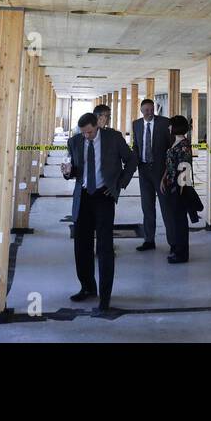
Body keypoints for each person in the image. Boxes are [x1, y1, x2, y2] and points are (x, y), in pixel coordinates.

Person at [61, 112, 135, 311]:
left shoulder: (114, 138)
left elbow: (131, 160)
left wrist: (119, 184)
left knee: (104, 247)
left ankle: (105, 295)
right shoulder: (74, 141)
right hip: (83, 196)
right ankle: (87, 287)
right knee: (81, 247)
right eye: (83, 133)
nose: (87, 136)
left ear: (97, 126)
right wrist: (67, 172)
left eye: (90, 132)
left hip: (104, 195)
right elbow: (74, 170)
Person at [131, 97, 172, 251]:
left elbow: (171, 147)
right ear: (141, 111)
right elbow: (136, 145)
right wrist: (132, 162)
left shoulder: (164, 123)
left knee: (166, 207)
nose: (149, 113)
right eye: (146, 110)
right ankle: (149, 240)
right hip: (144, 171)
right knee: (147, 207)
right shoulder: (136, 124)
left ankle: (173, 243)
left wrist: (168, 170)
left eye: (151, 109)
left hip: (161, 172)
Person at [158, 116, 194, 263]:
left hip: (178, 188)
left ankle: (181, 254)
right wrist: (163, 179)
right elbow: (171, 164)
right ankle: (177, 249)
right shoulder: (176, 143)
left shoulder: (184, 145)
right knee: (174, 219)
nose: (168, 128)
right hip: (171, 184)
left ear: (176, 127)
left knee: (180, 221)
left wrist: (180, 190)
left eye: (170, 125)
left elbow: (185, 168)